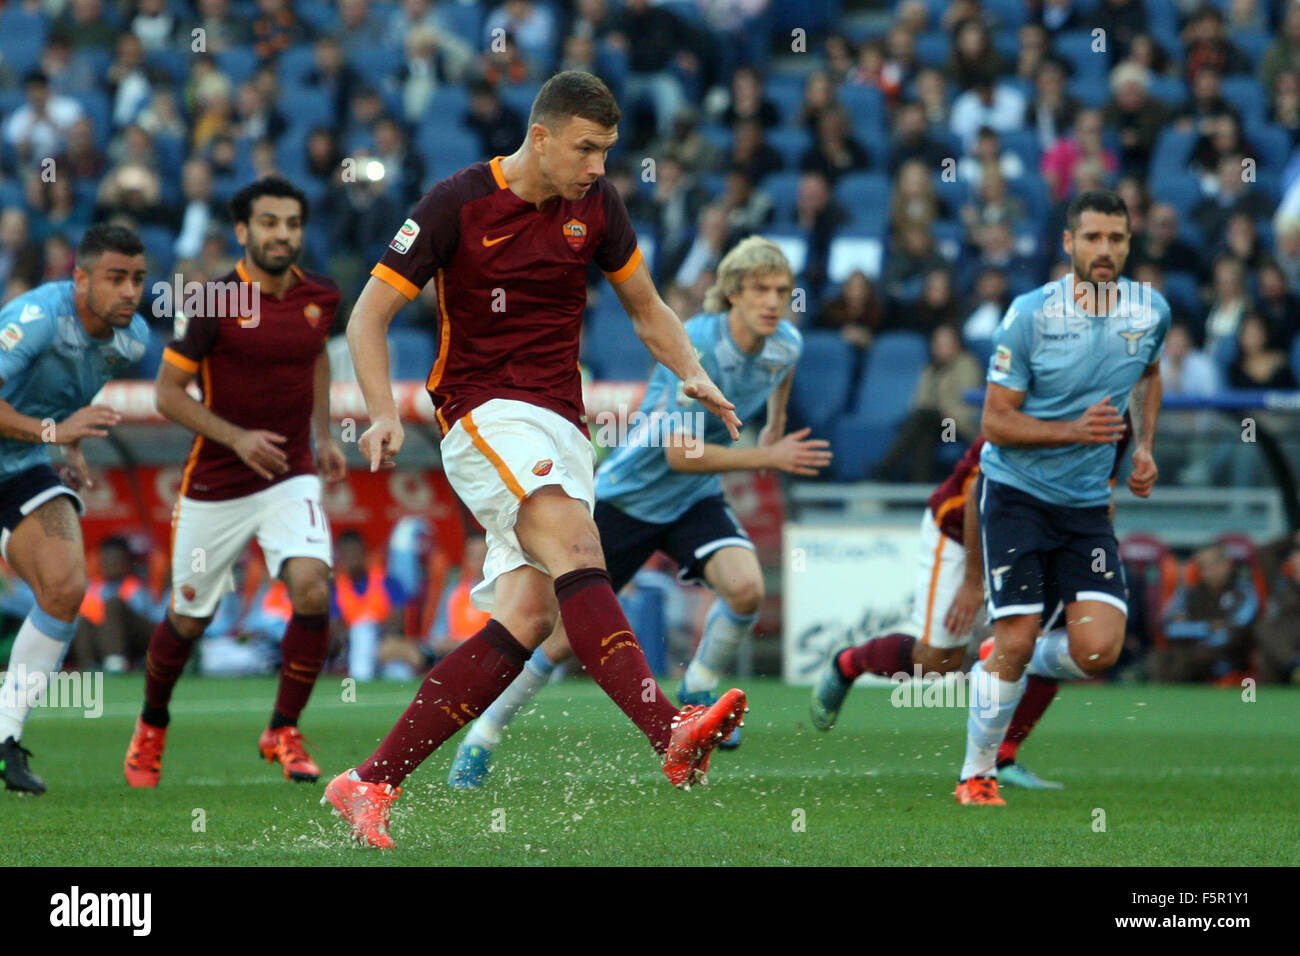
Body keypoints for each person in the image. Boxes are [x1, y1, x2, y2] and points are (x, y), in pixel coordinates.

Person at [326, 71, 747, 849]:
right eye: (586, 149)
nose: (598, 167)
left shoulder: (599, 205)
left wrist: (691, 370)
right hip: (483, 410)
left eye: (607, 151)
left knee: (527, 616)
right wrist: (383, 411)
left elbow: (647, 308)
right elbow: (368, 316)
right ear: (541, 136)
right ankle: (668, 730)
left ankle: (370, 781)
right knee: (580, 549)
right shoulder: (455, 203)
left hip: (562, 424)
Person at [447, 237, 830, 788]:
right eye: (761, 290)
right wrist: (769, 455)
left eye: (782, 291)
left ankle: (697, 687)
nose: (774, 302)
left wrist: (776, 422)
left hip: (692, 498)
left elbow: (780, 377)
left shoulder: (786, 344)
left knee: (746, 589)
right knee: (557, 639)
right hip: (628, 497)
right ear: (733, 293)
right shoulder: (698, 343)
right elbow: (680, 453)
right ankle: (481, 738)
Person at [123, 177, 347, 788]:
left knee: (312, 591)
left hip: (289, 474)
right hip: (216, 483)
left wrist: (323, 436)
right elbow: (167, 394)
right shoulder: (210, 301)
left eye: (293, 223)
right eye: (269, 222)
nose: (283, 234)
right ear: (244, 231)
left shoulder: (322, 296)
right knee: (189, 617)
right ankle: (152, 723)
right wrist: (239, 438)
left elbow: (317, 357)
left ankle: (283, 729)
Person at [955, 189, 1169, 805]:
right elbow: (995, 422)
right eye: (1093, 237)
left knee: (1098, 651)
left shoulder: (1150, 311)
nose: (1105, 250)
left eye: (1117, 238)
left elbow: (1149, 373)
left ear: (1129, 244)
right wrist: (1074, 431)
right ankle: (976, 774)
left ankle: (1005, 657)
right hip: (1017, 494)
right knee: (1020, 634)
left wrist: (1144, 447)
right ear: (1069, 243)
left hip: (1085, 505)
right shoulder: (1029, 315)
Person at [0, 224, 149, 794]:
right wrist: (53, 432)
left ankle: (5, 737)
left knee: (65, 589)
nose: (129, 291)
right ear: (80, 279)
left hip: (18, 468)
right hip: (28, 446)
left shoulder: (130, 340)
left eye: (137, 278)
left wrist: (70, 444)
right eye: (115, 278)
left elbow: (66, 397)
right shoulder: (38, 316)